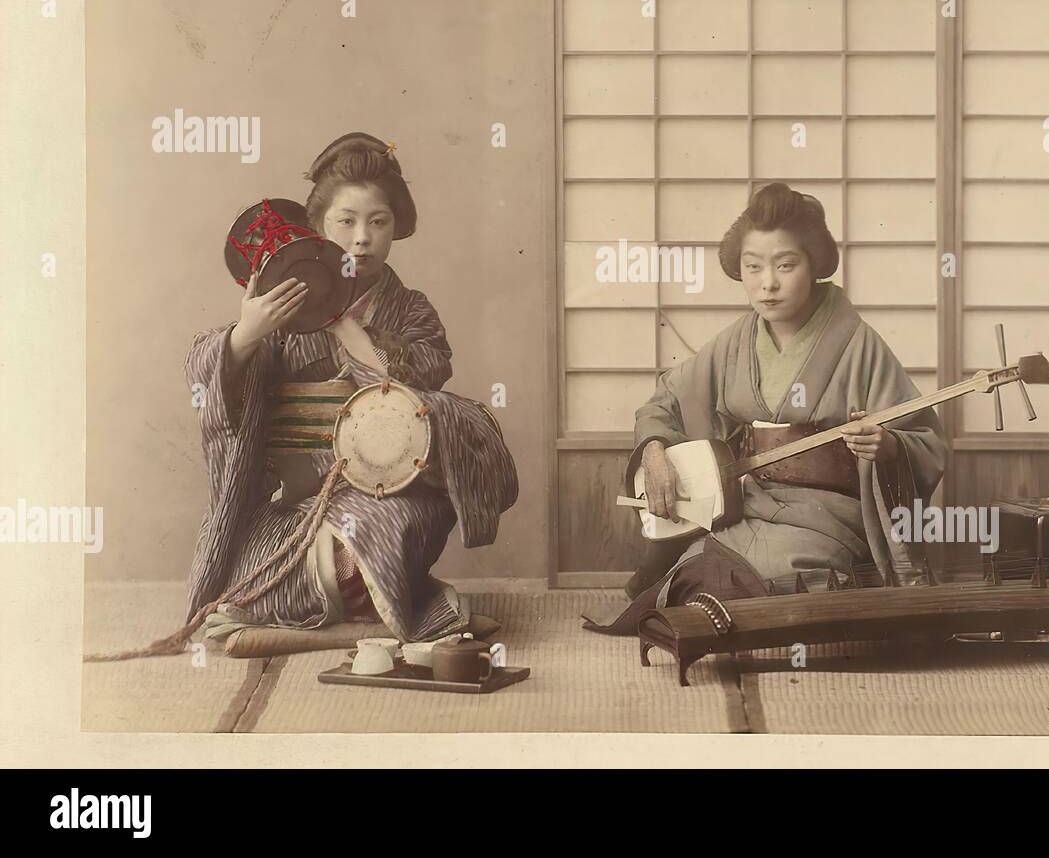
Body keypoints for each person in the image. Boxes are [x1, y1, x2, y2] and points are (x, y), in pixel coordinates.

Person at [184, 133, 518, 646]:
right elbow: (221, 396)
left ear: (396, 226)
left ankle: (335, 631)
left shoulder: (412, 311)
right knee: (247, 579)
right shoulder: (284, 309)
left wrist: (347, 329)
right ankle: (391, 618)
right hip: (296, 505)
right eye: (346, 222)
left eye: (378, 221)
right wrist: (247, 333)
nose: (362, 238)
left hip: (386, 496)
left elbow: (418, 401)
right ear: (317, 228)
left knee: (370, 539)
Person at [589, 183, 946, 633]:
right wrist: (656, 449)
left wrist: (888, 446)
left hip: (826, 515)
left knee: (750, 588)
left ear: (814, 264)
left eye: (786, 265)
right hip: (750, 505)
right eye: (753, 267)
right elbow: (668, 400)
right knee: (694, 579)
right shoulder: (737, 341)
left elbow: (925, 440)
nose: (768, 283)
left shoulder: (858, 344)